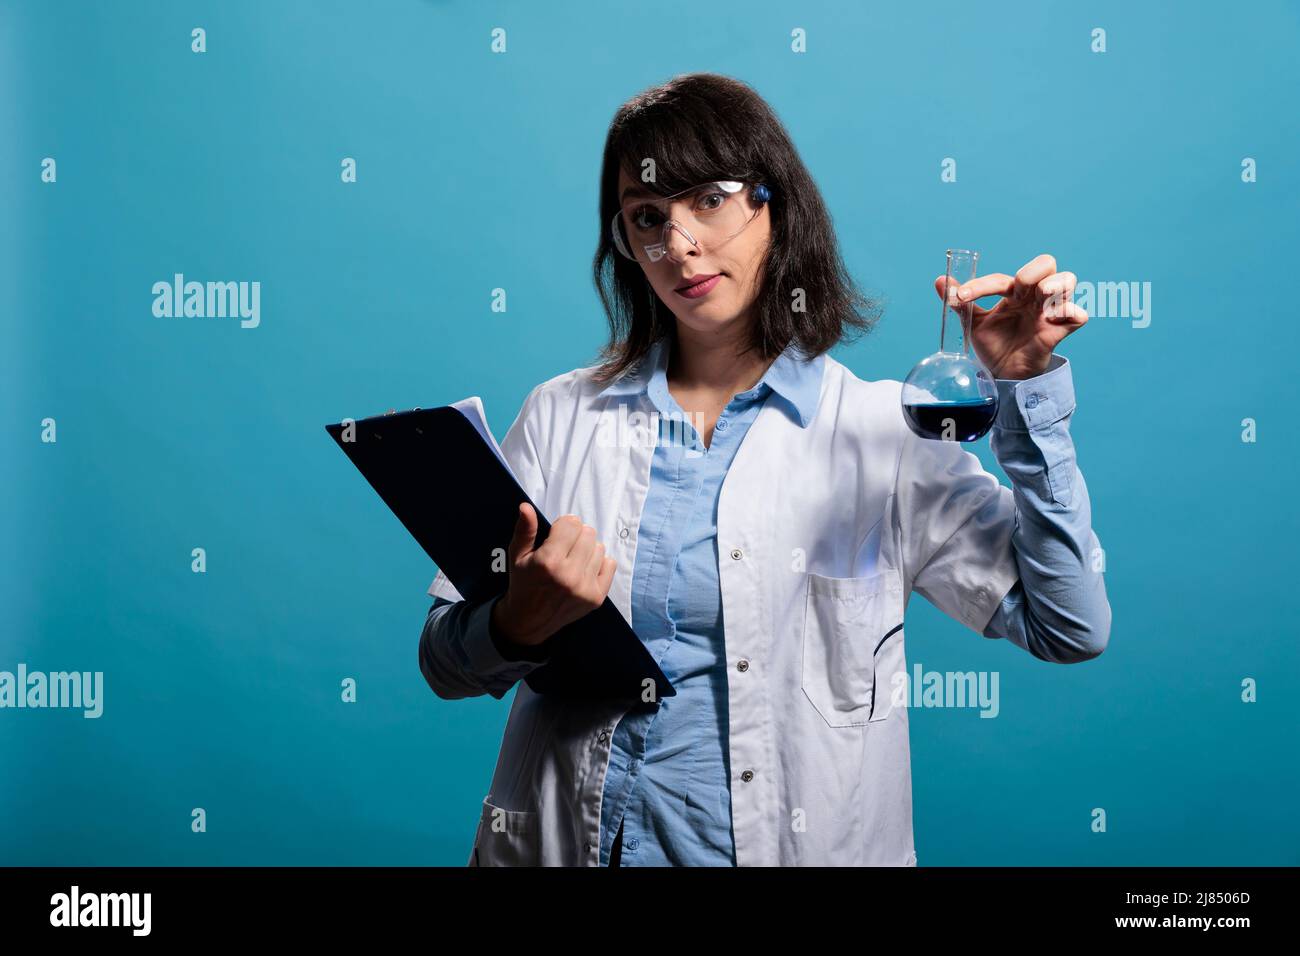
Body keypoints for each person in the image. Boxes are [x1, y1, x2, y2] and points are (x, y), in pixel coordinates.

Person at [418, 72, 1110, 867]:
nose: (678, 245)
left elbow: (1069, 626)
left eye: (707, 200)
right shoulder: (561, 416)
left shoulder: (878, 434)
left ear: (773, 205)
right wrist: (516, 624)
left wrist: (1024, 393)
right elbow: (442, 661)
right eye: (647, 218)